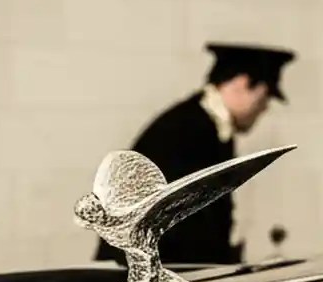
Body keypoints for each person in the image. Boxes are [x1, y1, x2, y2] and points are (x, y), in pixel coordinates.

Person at [94, 42, 297, 266]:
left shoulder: (203, 124)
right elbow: (188, 227)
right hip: (144, 272)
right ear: (241, 83)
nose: (264, 108)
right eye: (264, 97)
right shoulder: (188, 130)